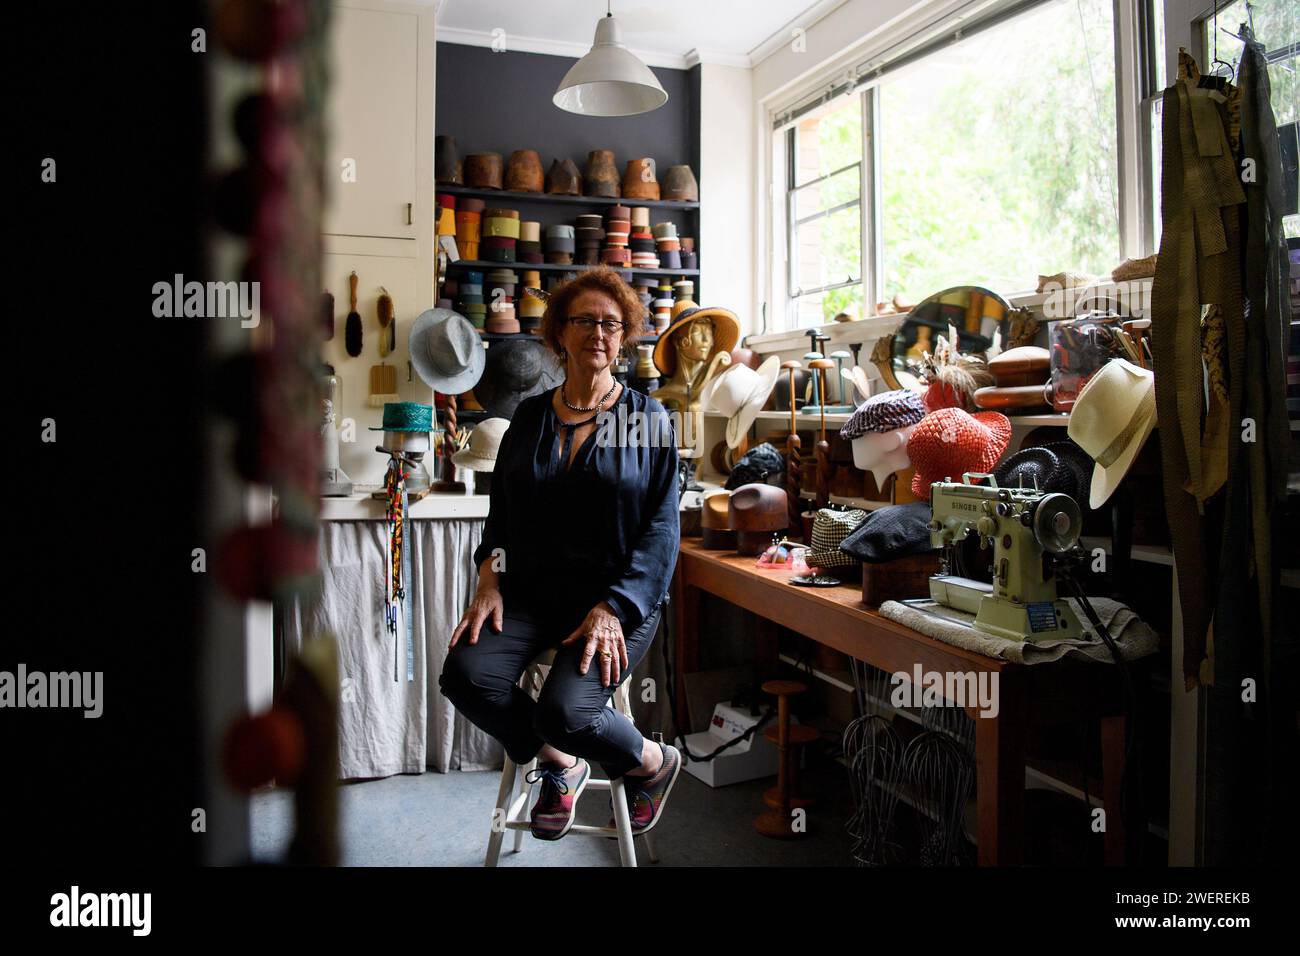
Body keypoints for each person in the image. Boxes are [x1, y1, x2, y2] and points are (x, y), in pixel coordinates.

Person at [441, 267, 683, 842]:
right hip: (527, 593)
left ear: (623, 337)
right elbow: (501, 517)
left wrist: (613, 608)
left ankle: (651, 760)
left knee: (567, 710)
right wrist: (489, 581)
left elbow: (661, 532)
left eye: (611, 323)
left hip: (615, 602)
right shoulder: (528, 417)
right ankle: (558, 762)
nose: (597, 333)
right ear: (558, 332)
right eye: (584, 321)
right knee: (465, 676)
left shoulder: (647, 421)